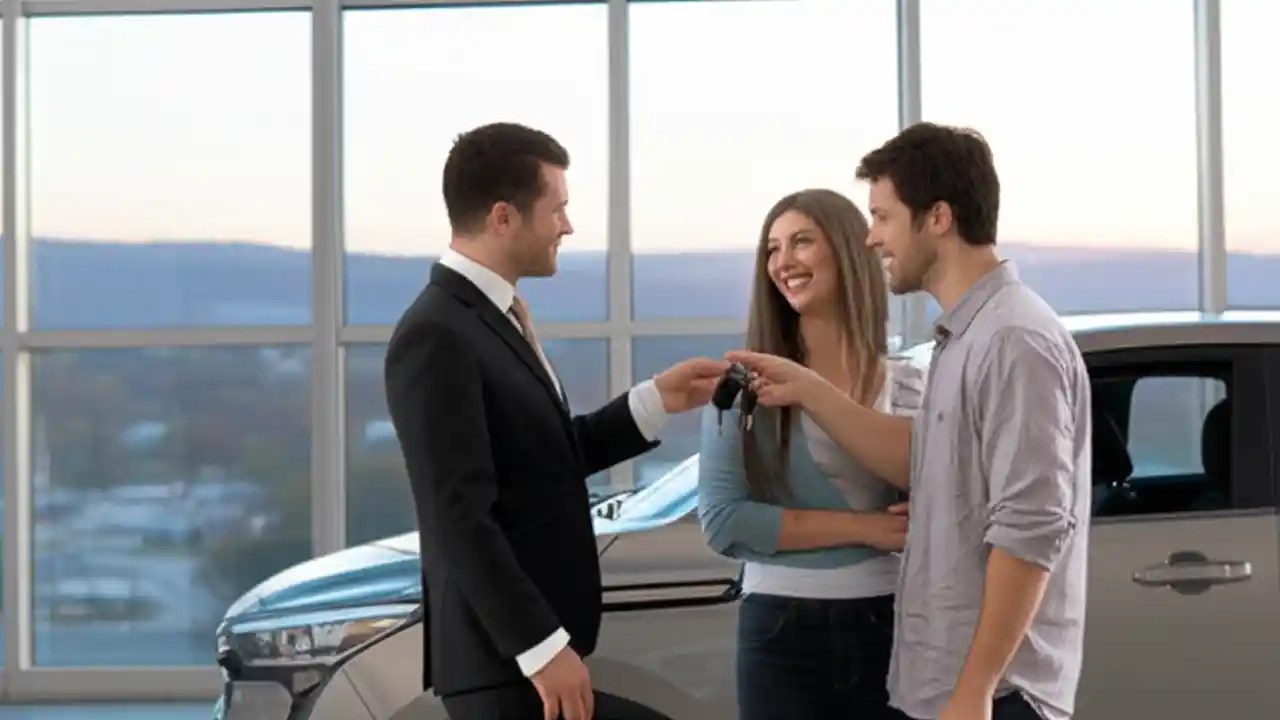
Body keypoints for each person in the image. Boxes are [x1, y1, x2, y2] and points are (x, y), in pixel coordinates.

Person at [727, 123, 1091, 720]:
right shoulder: (964, 338)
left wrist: (974, 690)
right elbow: (924, 463)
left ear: (938, 218)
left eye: (882, 217)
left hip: (997, 696)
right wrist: (813, 391)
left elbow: (1029, 531)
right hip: (947, 686)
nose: (871, 238)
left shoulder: (1013, 340)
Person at [384, 121, 730, 720]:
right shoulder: (437, 333)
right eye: (557, 209)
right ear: (503, 217)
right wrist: (540, 649)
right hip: (505, 668)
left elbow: (539, 457)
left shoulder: (490, 316)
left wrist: (656, 400)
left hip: (525, 664)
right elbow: (458, 515)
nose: (566, 227)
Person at [696, 189, 927, 720]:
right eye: (773, 249)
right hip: (781, 632)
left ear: (848, 250)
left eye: (801, 242)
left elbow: (940, 491)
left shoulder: (910, 383)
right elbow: (724, 522)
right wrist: (866, 529)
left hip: (895, 621)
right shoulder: (745, 388)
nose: (784, 262)